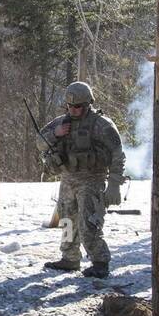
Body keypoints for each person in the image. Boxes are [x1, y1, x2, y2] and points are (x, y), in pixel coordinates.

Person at [39, 81, 125, 279]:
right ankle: (70, 258)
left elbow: (117, 155)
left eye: (78, 106)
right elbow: (39, 142)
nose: (73, 110)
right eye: (70, 106)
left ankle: (100, 261)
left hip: (92, 180)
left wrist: (114, 185)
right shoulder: (61, 123)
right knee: (68, 220)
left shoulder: (102, 125)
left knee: (89, 224)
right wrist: (55, 134)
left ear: (88, 104)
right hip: (68, 179)